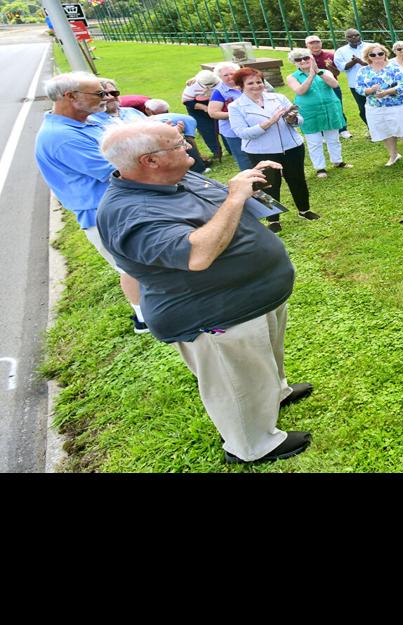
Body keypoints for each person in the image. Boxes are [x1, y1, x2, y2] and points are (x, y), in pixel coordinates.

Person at [95, 121, 313, 464]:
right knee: (234, 380)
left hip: (251, 297)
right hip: (215, 313)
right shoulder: (129, 213)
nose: (189, 146)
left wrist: (243, 187)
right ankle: (251, 446)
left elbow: (219, 208)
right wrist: (235, 197)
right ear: (149, 161)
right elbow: (197, 255)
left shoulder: (175, 176)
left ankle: (274, 392)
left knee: (260, 357)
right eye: (179, 144)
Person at [34, 72, 146, 332]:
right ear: (71, 97)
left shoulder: (90, 120)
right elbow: (119, 168)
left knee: (145, 264)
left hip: (124, 203)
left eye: (106, 93)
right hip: (104, 213)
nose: (106, 98)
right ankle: (145, 318)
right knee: (133, 267)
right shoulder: (60, 137)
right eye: (98, 94)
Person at [229, 66, 318, 232]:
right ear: (240, 86)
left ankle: (304, 210)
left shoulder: (278, 98)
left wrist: (292, 119)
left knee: (297, 179)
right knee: (268, 184)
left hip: (292, 147)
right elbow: (242, 133)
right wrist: (270, 122)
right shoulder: (236, 107)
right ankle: (273, 219)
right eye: (250, 83)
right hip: (262, 152)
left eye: (259, 82)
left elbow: (299, 119)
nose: (256, 86)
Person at [286, 48, 351, 177]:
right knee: (314, 141)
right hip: (309, 111)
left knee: (333, 138)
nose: (303, 61)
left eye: (306, 58)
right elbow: (300, 91)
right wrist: (310, 76)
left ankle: (337, 161)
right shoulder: (292, 77)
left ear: (312, 58)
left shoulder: (325, 72)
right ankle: (320, 168)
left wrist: (318, 72)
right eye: (299, 59)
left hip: (329, 108)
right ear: (295, 63)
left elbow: (334, 84)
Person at [353, 42, 403, 166]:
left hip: (399, 104)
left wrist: (388, 92)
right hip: (376, 107)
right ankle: (393, 155)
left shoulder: (394, 67)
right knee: (385, 131)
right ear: (368, 57)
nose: (377, 56)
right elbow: (358, 87)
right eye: (373, 54)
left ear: (385, 54)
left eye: (380, 53)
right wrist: (369, 90)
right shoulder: (363, 71)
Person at [206, 62, 254, 170]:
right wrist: (236, 114)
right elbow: (213, 113)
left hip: (254, 127)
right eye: (225, 75)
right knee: (244, 159)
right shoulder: (219, 92)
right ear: (220, 77)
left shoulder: (247, 84)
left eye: (232, 73)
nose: (230, 77)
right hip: (233, 132)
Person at [143, 98, 211, 173]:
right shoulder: (189, 120)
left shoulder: (148, 118)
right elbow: (190, 139)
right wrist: (199, 156)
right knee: (187, 145)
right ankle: (199, 169)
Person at [302, 35, 350, 137]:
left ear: (321, 43)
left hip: (332, 85)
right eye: (311, 43)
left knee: (337, 106)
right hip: (314, 87)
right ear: (306, 45)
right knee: (319, 109)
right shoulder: (304, 58)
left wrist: (330, 67)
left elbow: (337, 73)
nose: (315, 45)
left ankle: (342, 129)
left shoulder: (330, 55)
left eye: (317, 42)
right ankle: (323, 132)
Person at [181, 69, 223, 164]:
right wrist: (204, 107)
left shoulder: (219, 81)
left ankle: (231, 150)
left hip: (216, 106)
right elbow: (186, 101)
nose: (211, 86)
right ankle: (217, 152)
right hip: (199, 110)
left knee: (223, 128)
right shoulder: (192, 86)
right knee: (207, 131)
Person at [332, 28, 369, 130]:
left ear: (360, 35)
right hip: (355, 84)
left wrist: (360, 61)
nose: (354, 37)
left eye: (356, 35)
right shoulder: (341, 51)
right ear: (346, 38)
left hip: (374, 82)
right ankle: (371, 128)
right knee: (363, 108)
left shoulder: (370, 46)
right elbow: (341, 67)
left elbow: (377, 61)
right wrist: (354, 62)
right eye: (350, 36)